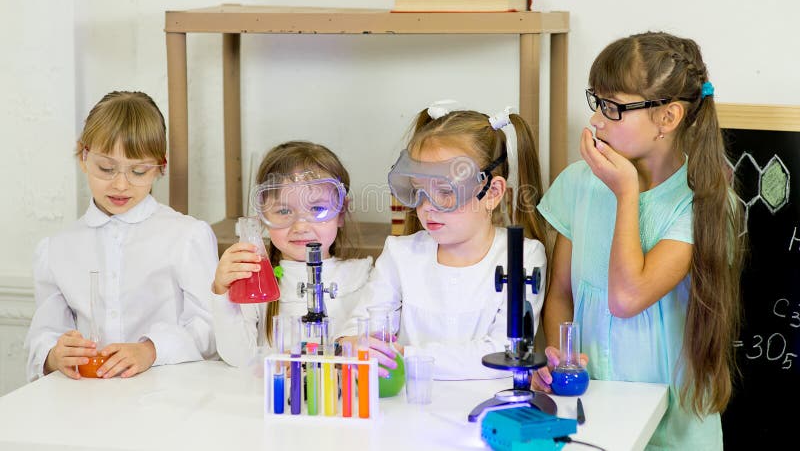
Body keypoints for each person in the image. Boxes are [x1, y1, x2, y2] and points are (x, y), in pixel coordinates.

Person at [534, 32, 743, 449]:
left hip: (672, 433)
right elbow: (560, 294)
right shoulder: (578, 184)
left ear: (668, 118)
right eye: (597, 102)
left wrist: (626, 192)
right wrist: (561, 357)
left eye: (613, 109)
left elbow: (627, 298)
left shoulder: (703, 203)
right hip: (592, 420)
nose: (596, 120)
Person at [340, 102, 548, 380]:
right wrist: (352, 345)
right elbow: (355, 333)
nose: (427, 207)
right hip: (406, 413)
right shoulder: (400, 254)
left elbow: (505, 353)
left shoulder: (523, 256)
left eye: (446, 192)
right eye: (418, 190)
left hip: (488, 413)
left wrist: (404, 357)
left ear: (492, 192)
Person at [25, 91, 218, 381]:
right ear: (83, 156)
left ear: (160, 167)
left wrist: (151, 350)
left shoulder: (187, 236)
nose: (120, 184)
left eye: (138, 171)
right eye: (106, 168)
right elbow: (43, 336)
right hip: (85, 402)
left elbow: (211, 328)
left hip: (169, 400)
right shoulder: (56, 249)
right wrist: (55, 353)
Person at [212, 141, 372, 367]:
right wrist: (222, 292)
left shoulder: (363, 276)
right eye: (284, 211)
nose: (300, 226)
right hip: (274, 397)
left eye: (317, 209)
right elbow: (238, 357)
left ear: (341, 212)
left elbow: (364, 349)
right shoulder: (256, 278)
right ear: (263, 216)